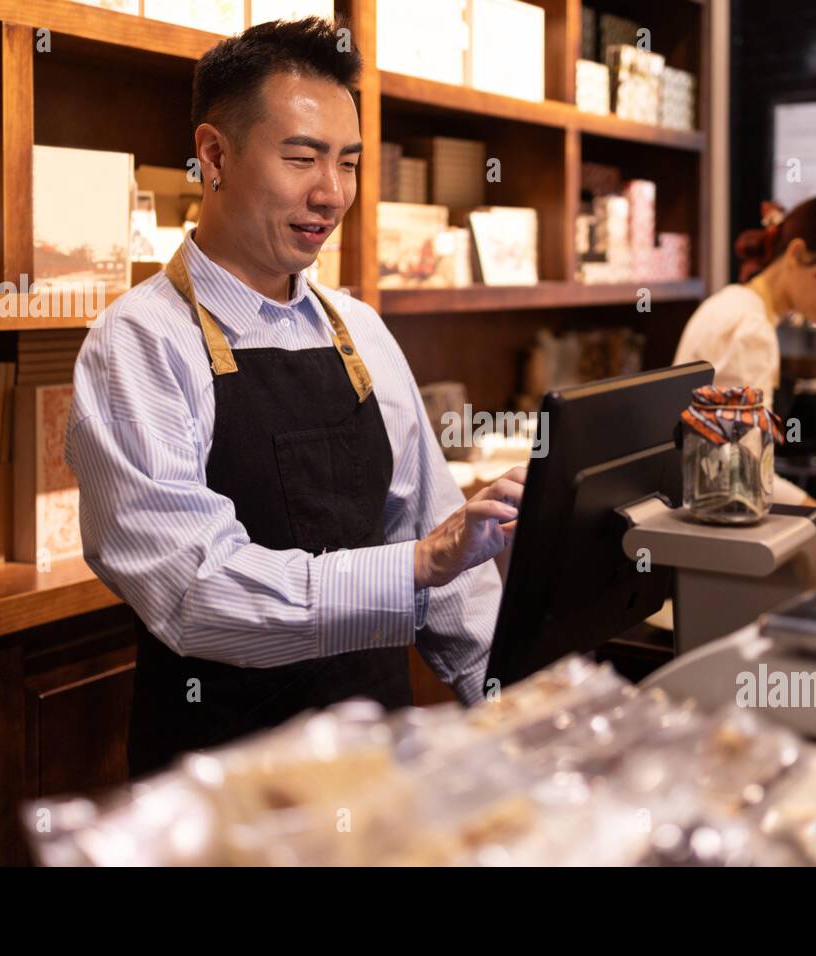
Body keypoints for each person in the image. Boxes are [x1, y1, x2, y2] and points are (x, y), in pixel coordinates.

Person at [64, 18, 520, 776]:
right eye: (302, 157)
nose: (331, 193)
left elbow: (437, 545)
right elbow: (196, 590)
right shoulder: (138, 344)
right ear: (214, 154)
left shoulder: (363, 331)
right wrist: (417, 564)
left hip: (376, 768)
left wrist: (514, 707)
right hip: (225, 787)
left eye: (347, 162)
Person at [675, 195, 816, 559]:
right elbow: (745, 483)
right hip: (710, 542)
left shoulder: (731, 302)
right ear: (796, 254)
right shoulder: (751, 331)